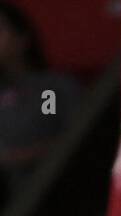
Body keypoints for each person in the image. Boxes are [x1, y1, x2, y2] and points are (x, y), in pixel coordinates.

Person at [0, 2, 81, 200]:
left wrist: (12, 158)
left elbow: (57, 138)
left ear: (22, 38)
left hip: (51, 200)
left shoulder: (48, 92)